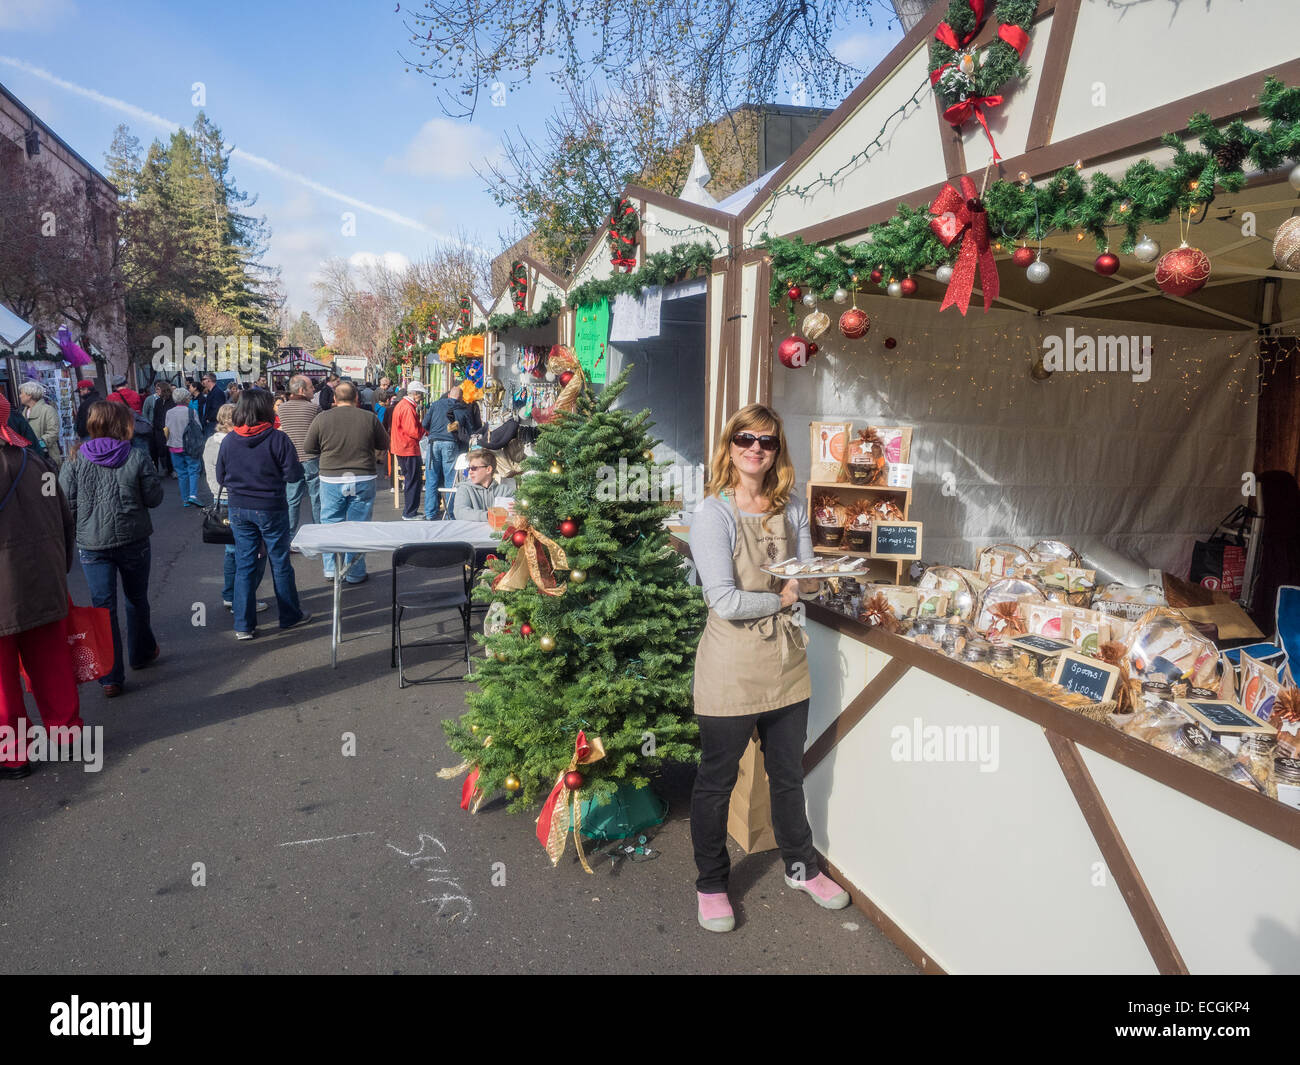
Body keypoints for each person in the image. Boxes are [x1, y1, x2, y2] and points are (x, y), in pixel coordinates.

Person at [689, 403, 849, 933]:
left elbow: (801, 578)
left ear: (778, 450)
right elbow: (726, 603)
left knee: (787, 776)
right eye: (745, 439)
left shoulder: (792, 505)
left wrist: (807, 584)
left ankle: (800, 866)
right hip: (731, 665)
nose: (756, 448)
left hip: (786, 662)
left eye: (768, 441)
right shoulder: (713, 514)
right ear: (729, 445)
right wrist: (781, 599)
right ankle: (712, 882)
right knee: (716, 781)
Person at [0, 391, 84, 778]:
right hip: (44, 581)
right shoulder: (36, 462)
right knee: (52, 665)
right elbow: (64, 520)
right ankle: (68, 737)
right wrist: (59, 568)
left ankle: (14, 753)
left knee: (2, 683)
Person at [59, 400, 163, 699]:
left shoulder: (75, 460)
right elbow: (154, 498)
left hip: (92, 544)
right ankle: (141, 653)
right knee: (136, 599)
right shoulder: (136, 456)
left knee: (102, 609)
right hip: (133, 538)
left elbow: (67, 504)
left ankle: (110, 677)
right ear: (122, 424)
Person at [215, 389, 312, 640]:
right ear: (266, 409)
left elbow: (220, 477)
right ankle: (289, 616)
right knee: (279, 562)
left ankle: (243, 625)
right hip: (271, 506)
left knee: (245, 564)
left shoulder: (228, 440)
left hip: (239, 508)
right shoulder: (277, 439)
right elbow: (293, 475)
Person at [305, 382, 390, 585]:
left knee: (330, 522)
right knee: (358, 526)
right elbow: (384, 444)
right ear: (357, 399)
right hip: (363, 476)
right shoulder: (368, 418)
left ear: (334, 399)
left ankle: (331, 569)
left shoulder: (322, 418)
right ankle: (354, 571)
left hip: (331, 477)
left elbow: (309, 447)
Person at [204, 403, 268, 615]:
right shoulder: (238, 442)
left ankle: (230, 595)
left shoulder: (211, 442)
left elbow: (210, 473)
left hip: (220, 498)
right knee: (254, 551)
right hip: (240, 499)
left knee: (232, 552)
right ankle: (243, 597)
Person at [422, 384, 480, 520]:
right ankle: (450, 514)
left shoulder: (436, 404)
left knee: (431, 479)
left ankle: (430, 513)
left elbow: (424, 424)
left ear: (448, 395)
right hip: (450, 443)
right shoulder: (463, 409)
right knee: (450, 480)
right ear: (460, 398)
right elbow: (470, 431)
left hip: (433, 442)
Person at [278, 374, 322, 537]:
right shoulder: (314, 408)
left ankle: (289, 537)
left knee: (292, 500)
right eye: (311, 387)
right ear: (302, 390)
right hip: (312, 457)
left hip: (290, 460)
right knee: (316, 498)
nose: (313, 390)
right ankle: (320, 533)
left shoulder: (282, 408)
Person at [390, 381, 426, 520]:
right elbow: (413, 431)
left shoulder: (403, 405)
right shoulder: (407, 408)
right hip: (408, 448)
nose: (422, 397)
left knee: (411, 480)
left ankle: (411, 511)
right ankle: (410, 512)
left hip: (403, 447)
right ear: (415, 394)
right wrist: (424, 430)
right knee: (412, 480)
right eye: (421, 394)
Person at [164, 387, 202, 506]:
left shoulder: (169, 412)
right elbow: (198, 428)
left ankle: (185, 499)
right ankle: (193, 495)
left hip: (173, 446)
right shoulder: (191, 412)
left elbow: (167, 429)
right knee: (194, 469)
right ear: (186, 399)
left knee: (181, 472)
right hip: (189, 446)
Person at [453, 449, 515, 520]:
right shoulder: (465, 489)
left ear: (488, 469)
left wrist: (517, 511)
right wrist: (488, 516)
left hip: (497, 530)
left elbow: (515, 512)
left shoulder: (505, 490)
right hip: (472, 530)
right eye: (468, 468)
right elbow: (460, 512)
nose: (470, 472)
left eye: (473, 468)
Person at [18, 381, 63, 467]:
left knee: (48, 480)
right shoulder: (23, 412)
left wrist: (37, 444)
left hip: (47, 457)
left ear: (29, 395)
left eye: (21, 393)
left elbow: (53, 432)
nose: (20, 396)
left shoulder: (48, 410)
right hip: (29, 458)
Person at [143, 380, 174, 476]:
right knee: (161, 450)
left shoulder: (172, 401)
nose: (157, 391)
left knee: (170, 449)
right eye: (156, 389)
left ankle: (171, 469)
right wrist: (154, 425)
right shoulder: (158, 401)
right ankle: (164, 468)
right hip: (158, 430)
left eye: (158, 389)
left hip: (170, 429)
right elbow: (155, 415)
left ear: (164, 390)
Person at [73, 378, 102, 444]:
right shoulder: (101, 400)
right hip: (102, 433)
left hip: (89, 435)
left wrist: (80, 432)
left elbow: (84, 421)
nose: (80, 393)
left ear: (88, 389)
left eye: (81, 390)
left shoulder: (86, 404)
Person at [197, 373, 226, 437]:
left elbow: (217, 409)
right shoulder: (211, 392)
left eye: (203, 379)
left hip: (213, 424)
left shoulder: (217, 392)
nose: (202, 381)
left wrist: (209, 419)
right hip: (210, 424)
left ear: (209, 380)